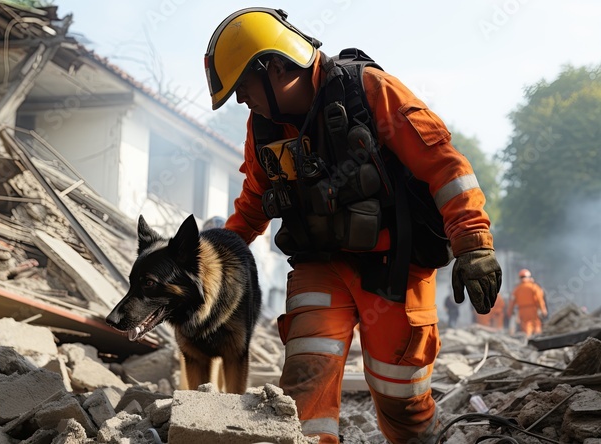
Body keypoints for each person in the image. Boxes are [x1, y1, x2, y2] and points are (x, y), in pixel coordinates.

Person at [205, 8, 502, 443]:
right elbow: (255, 201)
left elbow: (444, 167)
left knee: (401, 398)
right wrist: (214, 257)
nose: (240, 100)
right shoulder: (263, 127)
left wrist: (473, 242)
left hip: (394, 265)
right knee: (305, 385)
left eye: (242, 86)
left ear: (274, 66)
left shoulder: (368, 90)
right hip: (319, 265)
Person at [510, 269, 547, 337]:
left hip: (522, 310)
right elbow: (540, 299)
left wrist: (510, 312)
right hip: (533, 309)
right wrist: (543, 309)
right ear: (529, 277)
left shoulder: (516, 289)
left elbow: (512, 301)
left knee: (526, 326)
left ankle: (528, 340)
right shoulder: (534, 287)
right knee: (536, 325)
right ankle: (538, 339)